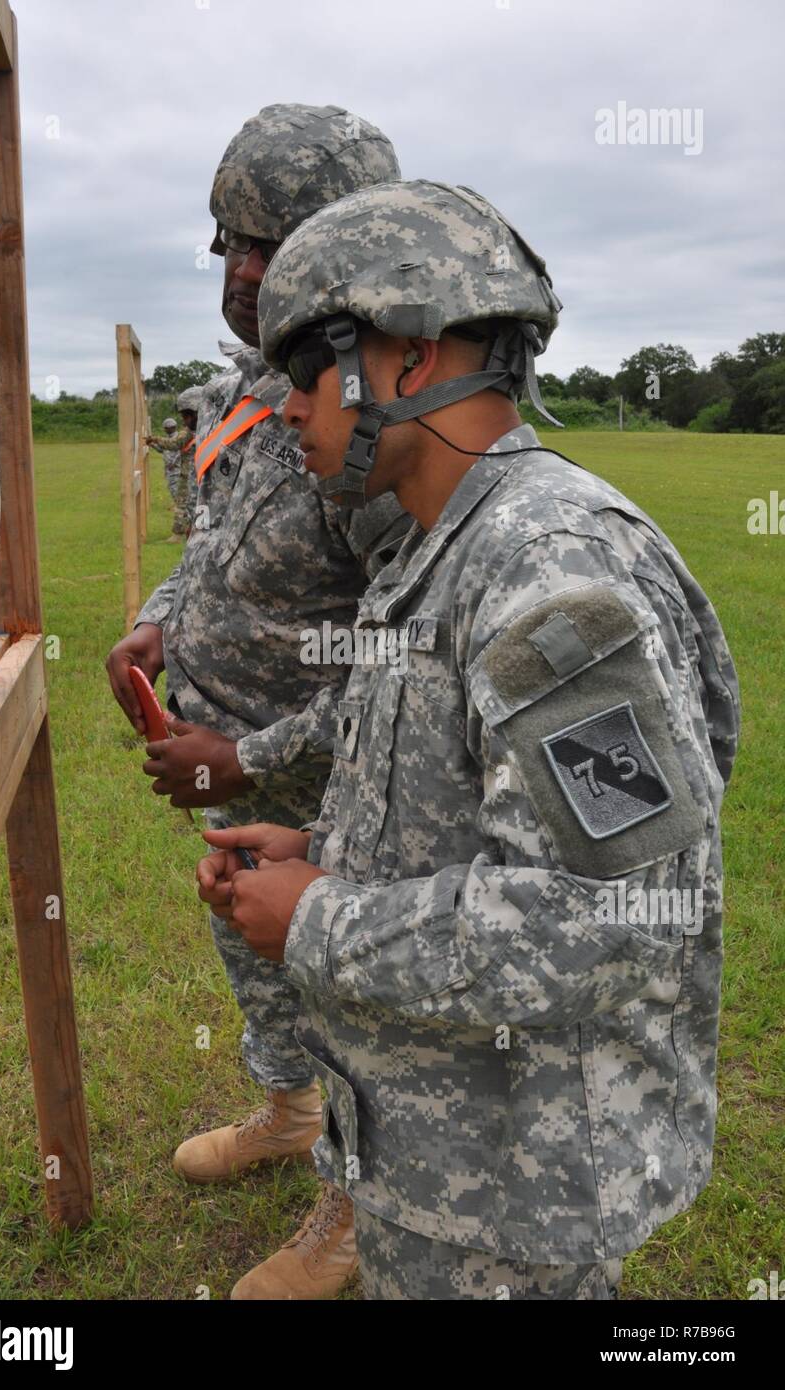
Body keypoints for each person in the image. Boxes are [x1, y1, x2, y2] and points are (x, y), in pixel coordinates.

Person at [197, 179, 741, 1300]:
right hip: (447, 1158)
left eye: (305, 369)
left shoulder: (548, 565)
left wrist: (317, 916)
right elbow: (474, 806)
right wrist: (322, 845)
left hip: (514, 1200)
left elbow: (613, 916)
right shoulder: (441, 548)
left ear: (406, 357)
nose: (286, 406)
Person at [106, 105, 408, 1300]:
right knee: (253, 948)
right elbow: (217, 538)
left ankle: (351, 1203)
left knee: (352, 993)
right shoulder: (254, 388)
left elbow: (415, 661)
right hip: (220, 757)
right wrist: (161, 618)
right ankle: (285, 1112)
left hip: (343, 783)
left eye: (270, 244)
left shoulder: (385, 425)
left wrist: (247, 757)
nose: (241, 271)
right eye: (227, 240)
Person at [146, 391, 200, 540]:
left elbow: (174, 444)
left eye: (186, 417)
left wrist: (155, 439)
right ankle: (190, 532)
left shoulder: (189, 432)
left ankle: (180, 534)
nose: (184, 421)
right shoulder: (205, 428)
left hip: (189, 474)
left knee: (183, 504)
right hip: (194, 473)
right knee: (191, 503)